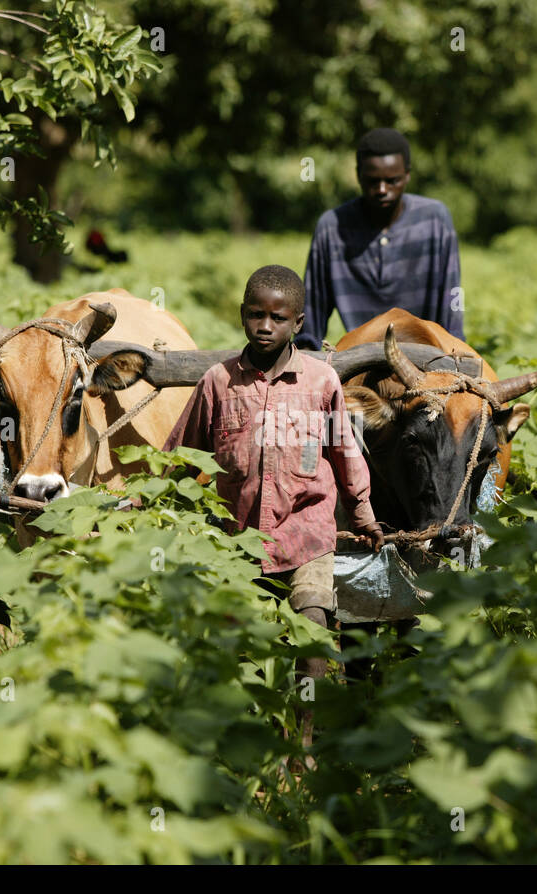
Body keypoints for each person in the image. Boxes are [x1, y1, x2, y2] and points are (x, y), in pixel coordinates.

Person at [165, 265, 385, 756]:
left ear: (299, 323)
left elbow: (346, 456)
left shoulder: (321, 382)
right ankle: (242, 740)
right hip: (235, 537)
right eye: (255, 315)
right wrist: (148, 500)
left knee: (311, 627)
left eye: (277, 318)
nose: (265, 326)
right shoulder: (218, 383)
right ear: (242, 315)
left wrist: (364, 514)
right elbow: (181, 454)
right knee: (235, 637)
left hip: (305, 532)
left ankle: (303, 739)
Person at [297, 128, 464, 351]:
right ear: (358, 175)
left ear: (407, 175)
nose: (382, 189)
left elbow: (452, 299)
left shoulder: (434, 221)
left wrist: (456, 353)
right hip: (357, 358)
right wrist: (306, 360)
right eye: (373, 181)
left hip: (427, 355)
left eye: (392, 180)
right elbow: (312, 310)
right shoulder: (332, 227)